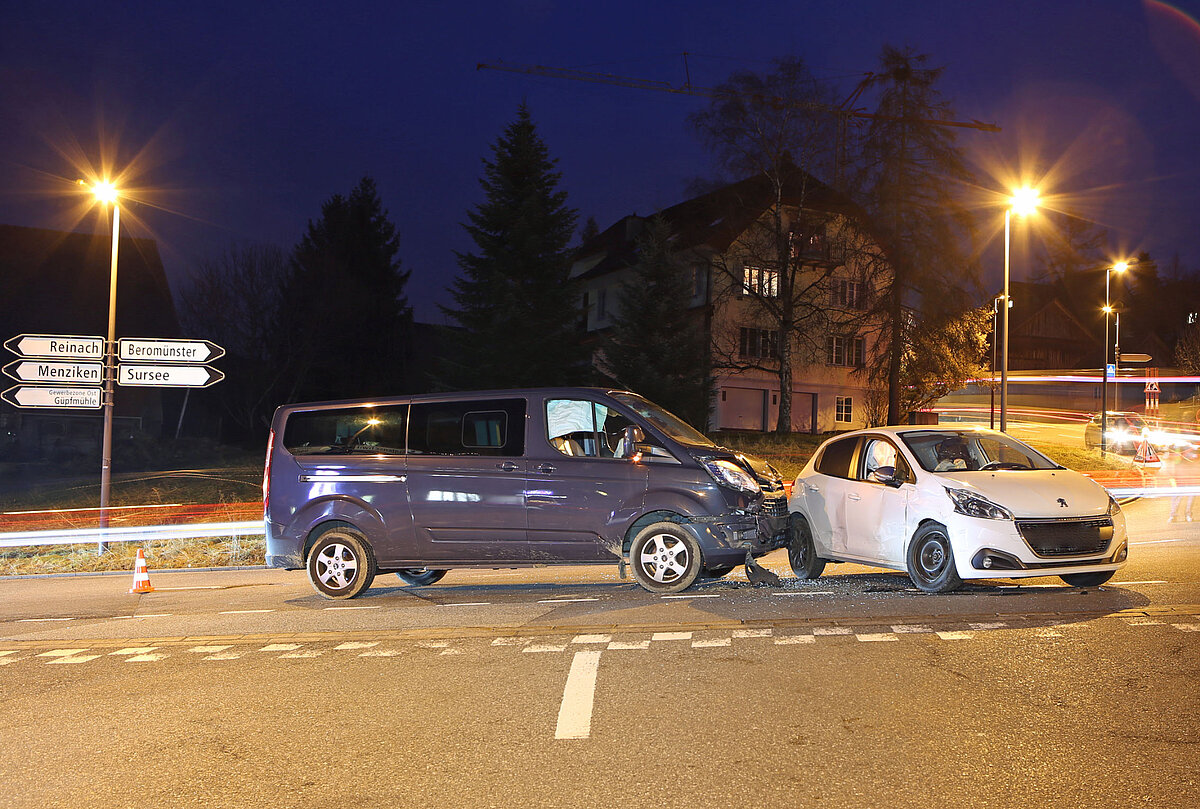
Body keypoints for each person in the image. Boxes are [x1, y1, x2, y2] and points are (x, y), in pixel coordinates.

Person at [1168, 444, 1198, 522]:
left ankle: (1187, 514)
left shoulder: (1191, 450)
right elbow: (1175, 459)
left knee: (1190, 497)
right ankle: (1173, 515)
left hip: (1190, 477)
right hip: (1180, 477)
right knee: (1177, 497)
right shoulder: (1178, 448)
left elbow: (1195, 459)